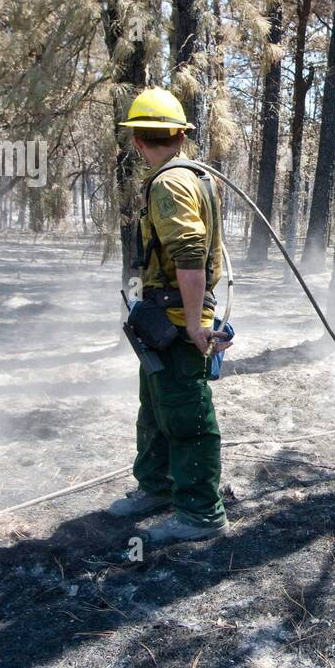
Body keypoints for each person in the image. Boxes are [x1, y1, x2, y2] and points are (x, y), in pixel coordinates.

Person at [108, 87, 233, 543]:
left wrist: (198, 324)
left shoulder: (169, 183)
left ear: (138, 142)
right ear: (180, 136)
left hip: (178, 322)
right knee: (156, 407)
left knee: (186, 415)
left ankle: (200, 512)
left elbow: (190, 253)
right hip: (161, 323)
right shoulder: (191, 176)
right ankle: (157, 487)